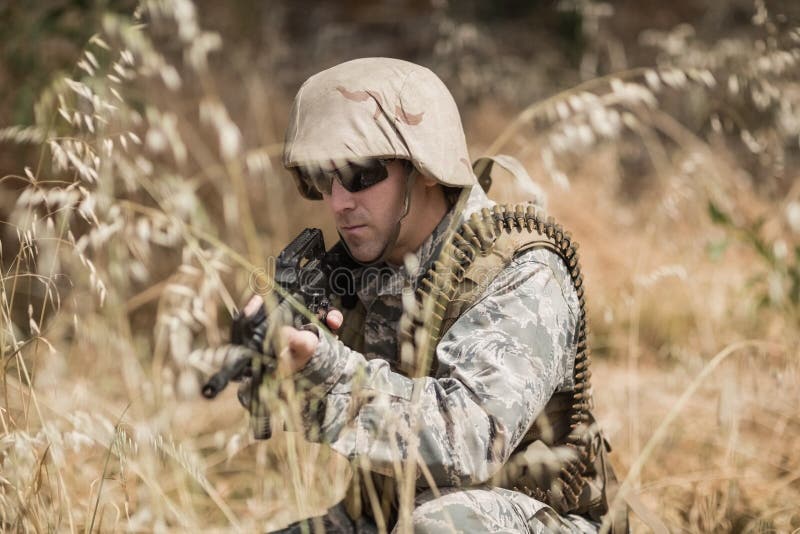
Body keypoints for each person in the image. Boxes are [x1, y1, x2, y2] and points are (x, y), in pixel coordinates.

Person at [235, 57, 626, 533]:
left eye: (359, 173)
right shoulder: (359, 268)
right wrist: (281, 368)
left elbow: (471, 439)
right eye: (323, 178)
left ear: (423, 166)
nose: (339, 202)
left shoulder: (519, 268)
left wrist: (328, 371)